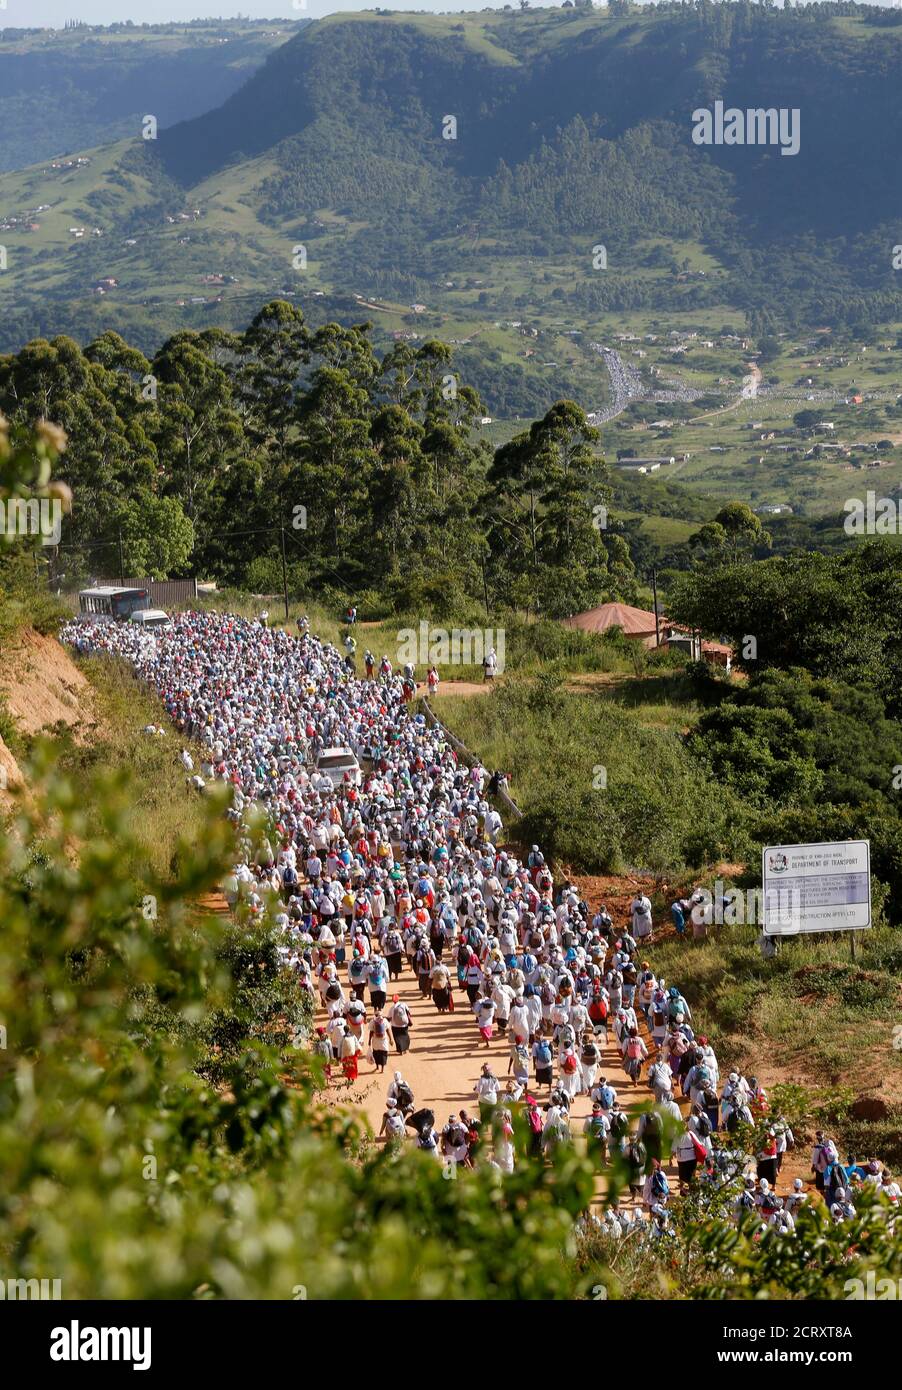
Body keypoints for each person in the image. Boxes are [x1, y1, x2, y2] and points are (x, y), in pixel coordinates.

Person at [368, 1008, 390, 1073]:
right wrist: (391, 1039)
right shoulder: (385, 1020)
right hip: (383, 1041)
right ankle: (382, 1069)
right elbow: (388, 1030)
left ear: (375, 1015)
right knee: (383, 1054)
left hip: (375, 1041)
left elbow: (371, 1032)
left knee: (376, 1054)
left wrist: (369, 1040)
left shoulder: (373, 1021)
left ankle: (377, 1067)